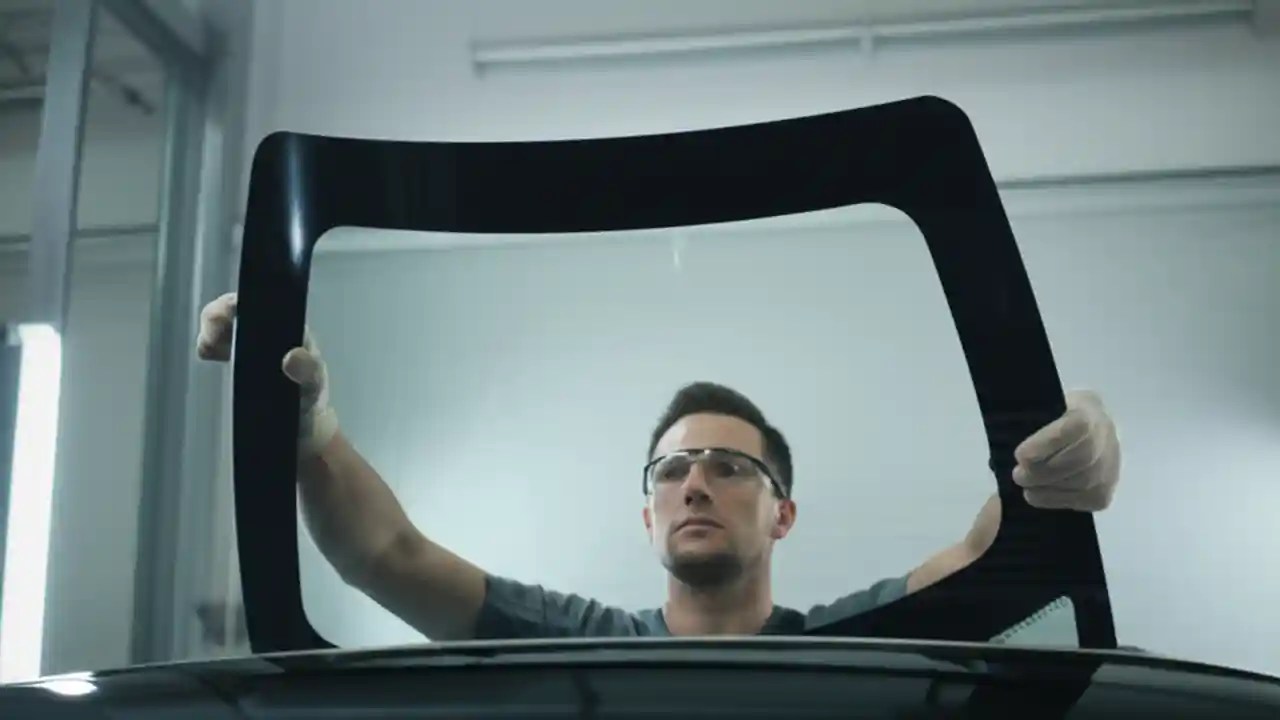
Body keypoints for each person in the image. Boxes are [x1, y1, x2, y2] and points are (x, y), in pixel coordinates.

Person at [197, 292, 1121, 640]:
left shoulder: (850, 647)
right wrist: (311, 433)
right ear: (648, 514)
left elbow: (979, 557)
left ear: (782, 514)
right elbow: (386, 556)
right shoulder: (578, 645)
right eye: (672, 469)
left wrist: (1057, 460)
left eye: (728, 466)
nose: (694, 481)